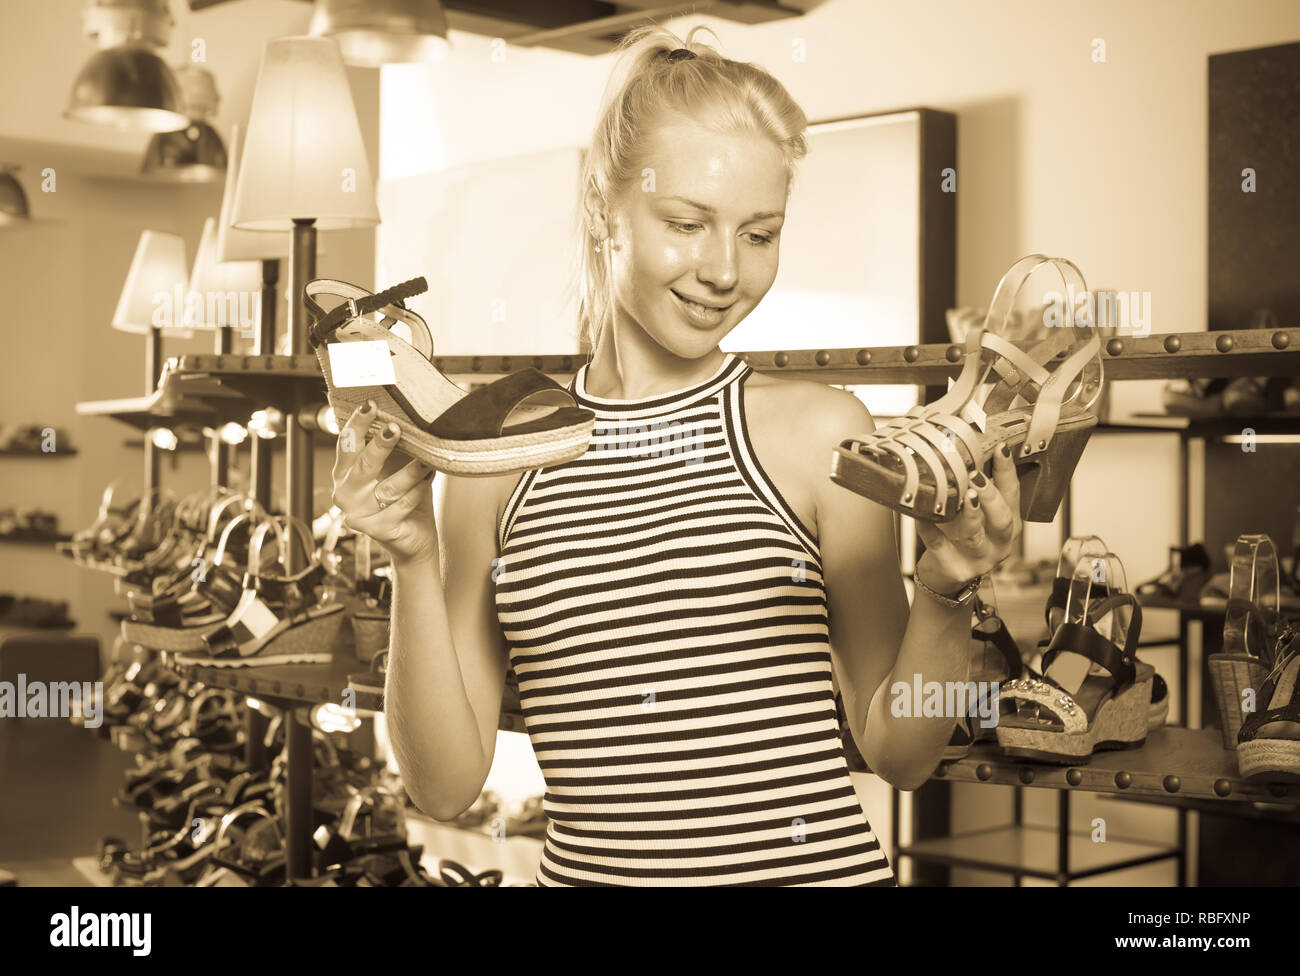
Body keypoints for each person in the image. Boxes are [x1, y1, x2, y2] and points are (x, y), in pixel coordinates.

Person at [330, 25, 1021, 886]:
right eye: (688, 223)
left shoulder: (819, 434)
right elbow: (442, 786)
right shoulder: (498, 455)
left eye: (760, 233)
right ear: (600, 209)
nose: (725, 270)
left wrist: (950, 587)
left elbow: (901, 754)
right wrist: (412, 557)